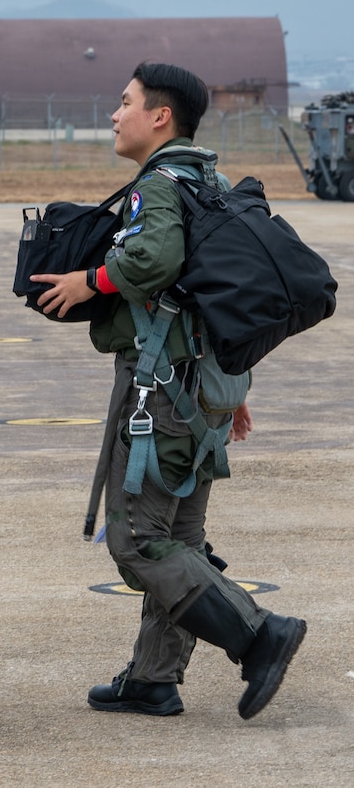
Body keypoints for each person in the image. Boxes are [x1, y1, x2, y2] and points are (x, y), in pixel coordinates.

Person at [32, 62, 306, 719]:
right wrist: (231, 387)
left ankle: (257, 633)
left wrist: (90, 282)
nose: (114, 114)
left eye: (123, 103)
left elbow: (153, 261)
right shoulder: (207, 181)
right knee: (178, 536)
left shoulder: (157, 184)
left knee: (137, 541)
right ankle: (155, 676)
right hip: (203, 389)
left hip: (162, 394)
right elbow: (214, 291)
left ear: (160, 116)